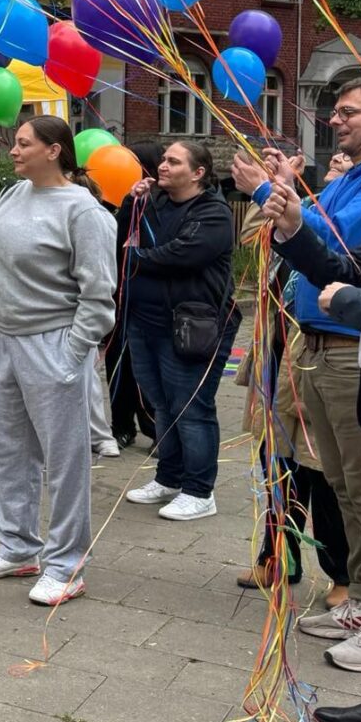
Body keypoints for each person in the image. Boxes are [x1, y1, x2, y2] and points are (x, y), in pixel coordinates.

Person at [234, 74, 361, 664]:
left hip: (353, 348)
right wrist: (284, 197)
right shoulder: (351, 176)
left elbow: (338, 244)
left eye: (349, 111)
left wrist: (269, 194)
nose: (335, 120)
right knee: (343, 484)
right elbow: (311, 242)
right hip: (317, 345)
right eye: (334, 111)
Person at [261, 134, 361, 722]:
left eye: (350, 112)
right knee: (351, 496)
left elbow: (358, 287)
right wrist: (292, 222)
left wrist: (351, 305)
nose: (338, 123)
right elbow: (346, 264)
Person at [0, 116, 118, 606]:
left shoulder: (84, 211)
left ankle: (66, 566)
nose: (13, 150)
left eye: (24, 143)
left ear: (54, 150)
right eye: (15, 142)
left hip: (53, 343)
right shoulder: (11, 195)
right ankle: (17, 547)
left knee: (65, 460)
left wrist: (72, 353)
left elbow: (98, 294)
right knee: (8, 449)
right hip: (1, 337)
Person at [117, 141, 240, 521]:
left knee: (191, 407)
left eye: (173, 161)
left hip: (191, 326)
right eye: (164, 160)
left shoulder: (213, 213)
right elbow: (122, 241)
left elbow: (180, 255)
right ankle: (169, 477)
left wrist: (135, 258)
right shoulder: (153, 202)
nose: (163, 166)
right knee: (162, 404)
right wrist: (130, 204)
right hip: (145, 321)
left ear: (198, 172)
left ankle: (200, 491)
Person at [103, 141, 162, 450]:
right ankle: (121, 425)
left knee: (148, 367)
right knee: (118, 362)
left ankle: (155, 427)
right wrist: (128, 204)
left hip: (151, 298)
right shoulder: (123, 201)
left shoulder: (166, 202)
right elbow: (115, 239)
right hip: (120, 297)